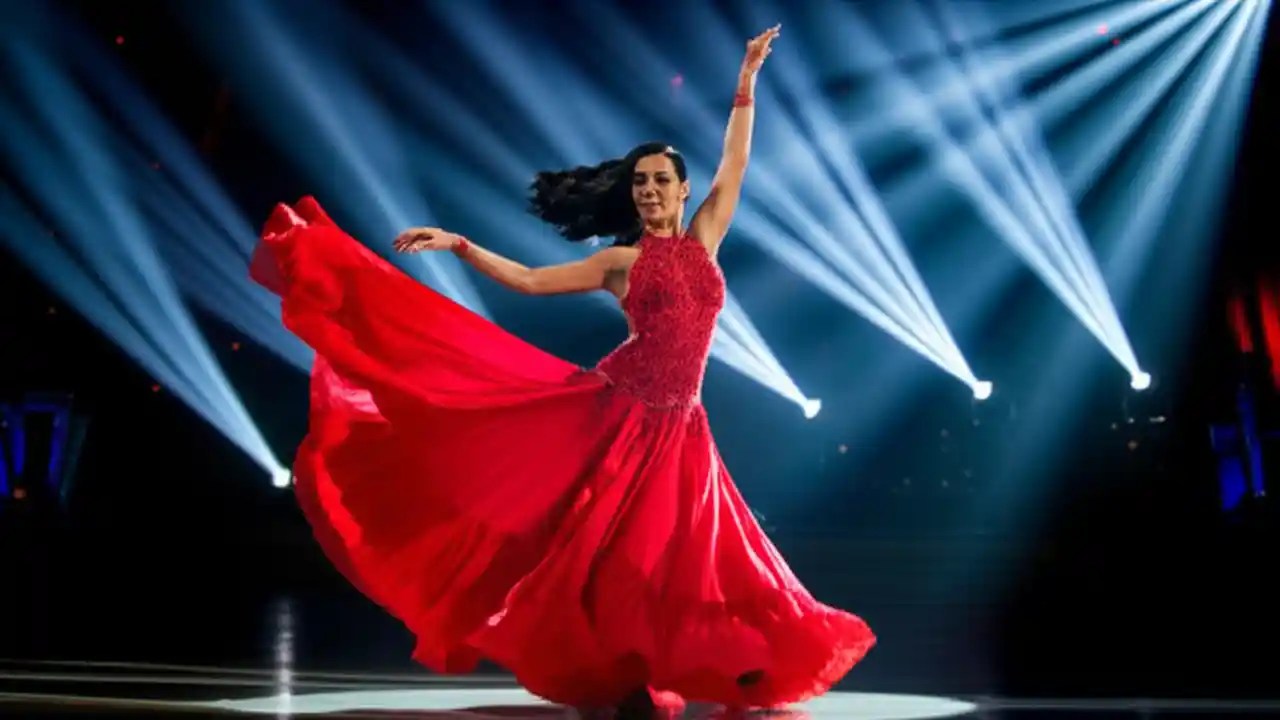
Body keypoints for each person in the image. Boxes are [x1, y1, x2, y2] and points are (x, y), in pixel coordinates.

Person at [251, 24, 874, 715]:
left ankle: (727, 661)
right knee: (610, 553)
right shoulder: (621, 263)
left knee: (699, 552)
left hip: (682, 426)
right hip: (621, 415)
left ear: (682, 188)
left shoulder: (706, 236)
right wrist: (459, 244)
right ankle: (622, 671)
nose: (647, 191)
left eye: (660, 181)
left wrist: (747, 78)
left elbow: (737, 160)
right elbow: (527, 279)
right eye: (639, 183)